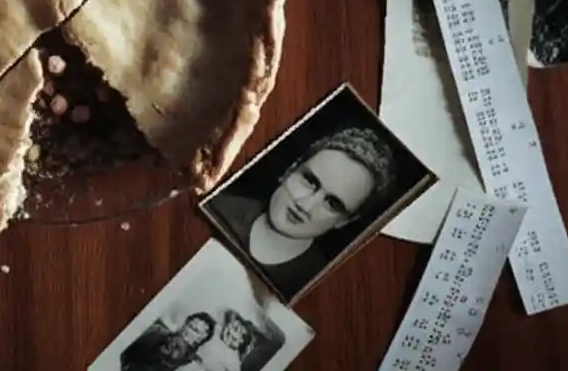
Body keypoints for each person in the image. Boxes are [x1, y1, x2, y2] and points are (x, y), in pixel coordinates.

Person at [208, 127, 395, 298]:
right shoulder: (218, 206)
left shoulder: (315, 286)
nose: (305, 205)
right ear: (290, 169)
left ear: (345, 221)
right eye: (310, 181)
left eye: (332, 203)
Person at [121, 312, 216, 371]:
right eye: (189, 324)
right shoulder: (157, 332)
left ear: (200, 340)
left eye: (195, 330)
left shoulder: (191, 366)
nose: (188, 330)